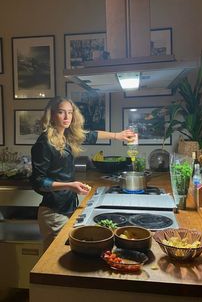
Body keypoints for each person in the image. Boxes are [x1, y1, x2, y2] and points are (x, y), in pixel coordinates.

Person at [30, 96, 135, 250]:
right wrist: (70, 186)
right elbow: (38, 182)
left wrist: (117, 136)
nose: (67, 117)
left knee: (67, 257)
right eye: (61, 112)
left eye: (70, 112)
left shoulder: (66, 136)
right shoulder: (44, 143)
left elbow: (93, 135)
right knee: (54, 262)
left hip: (68, 208)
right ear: (52, 115)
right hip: (53, 213)